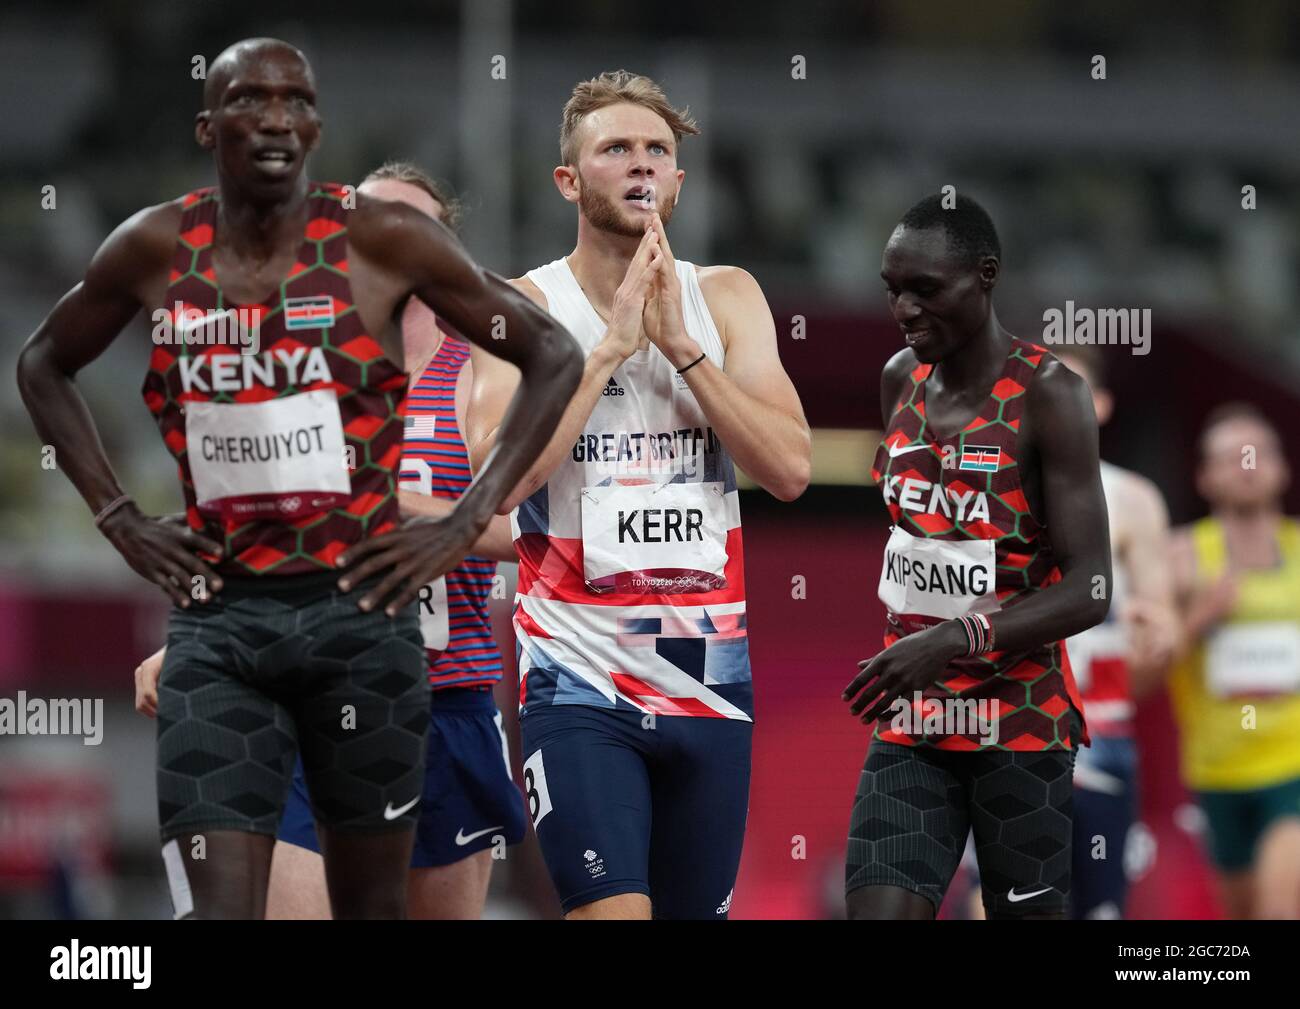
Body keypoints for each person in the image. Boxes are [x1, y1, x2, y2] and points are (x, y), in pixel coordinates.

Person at [17, 38, 580, 920]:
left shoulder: (378, 241)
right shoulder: (156, 246)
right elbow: (44, 363)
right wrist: (120, 517)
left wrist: (464, 515)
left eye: (295, 100)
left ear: (316, 125)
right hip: (221, 624)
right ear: (208, 126)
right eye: (250, 99)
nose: (275, 117)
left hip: (360, 629)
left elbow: (553, 352)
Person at [134, 163, 528, 919]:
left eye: (411, 225)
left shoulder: (482, 372)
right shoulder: (295, 370)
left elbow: (528, 535)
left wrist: (391, 504)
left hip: (445, 705)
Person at [465, 70, 811, 919]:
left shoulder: (726, 297)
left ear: (680, 181)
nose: (640, 164)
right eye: (615, 148)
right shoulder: (519, 307)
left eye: (657, 150)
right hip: (580, 682)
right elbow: (494, 487)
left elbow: (791, 469)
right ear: (570, 180)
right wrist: (610, 350)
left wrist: (682, 348)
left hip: (708, 681)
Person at [842, 193, 1110, 921]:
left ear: (985, 277)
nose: (903, 308)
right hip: (913, 716)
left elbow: (1092, 587)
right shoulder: (900, 379)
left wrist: (957, 636)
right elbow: (920, 545)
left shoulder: (1051, 395)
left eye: (925, 290)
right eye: (892, 289)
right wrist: (920, 639)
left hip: (1020, 718)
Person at [1042, 345, 1178, 917]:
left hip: (1101, 734)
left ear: (1102, 405)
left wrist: (1157, 632)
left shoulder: (1133, 498)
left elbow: (1160, 622)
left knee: (1099, 908)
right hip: (1004, 729)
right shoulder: (985, 489)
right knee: (1000, 901)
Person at [1168, 403, 1300, 920]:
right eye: (1231, 458)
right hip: (1217, 772)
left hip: (1292, 767)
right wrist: (1198, 618)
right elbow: (1143, 674)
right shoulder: (1181, 556)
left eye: (1260, 453)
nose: (1248, 466)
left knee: (1280, 908)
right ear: (1203, 477)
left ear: (1284, 467)